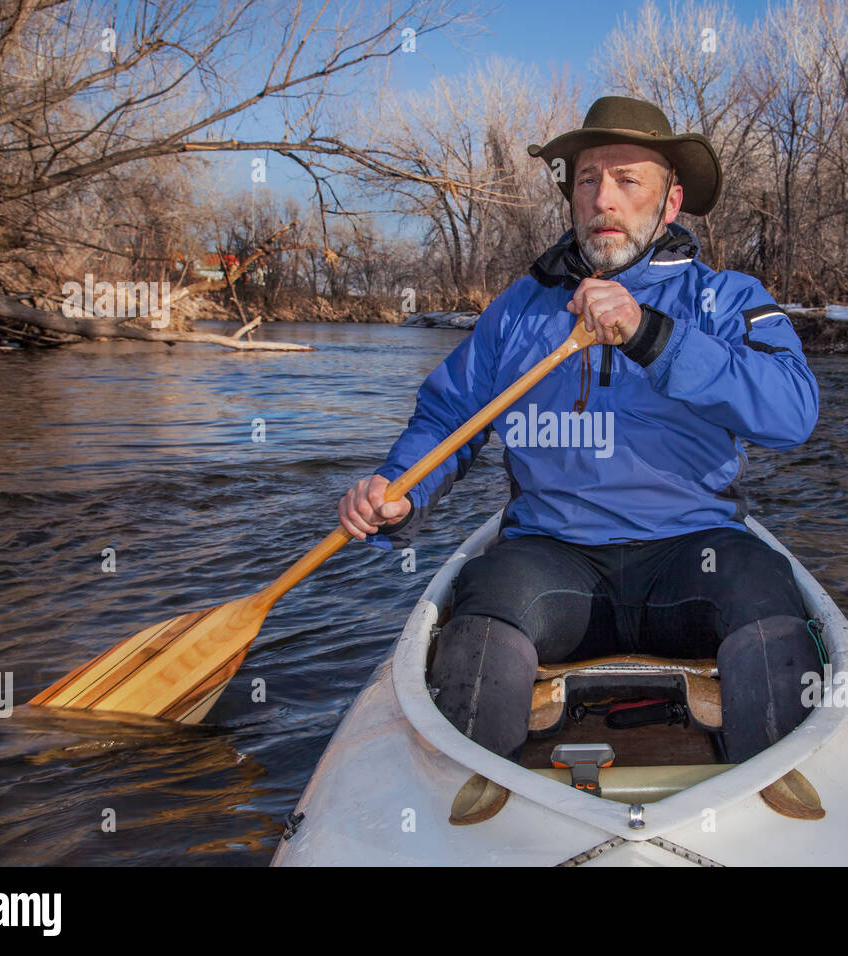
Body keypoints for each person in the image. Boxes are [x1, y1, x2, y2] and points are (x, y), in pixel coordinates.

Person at [338, 96, 821, 764]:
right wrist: (400, 489)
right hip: (552, 555)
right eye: (589, 179)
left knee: (764, 590)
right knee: (482, 610)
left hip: (694, 551)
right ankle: (469, 807)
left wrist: (651, 335)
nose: (604, 199)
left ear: (670, 202)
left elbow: (792, 412)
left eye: (628, 181)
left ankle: (776, 809)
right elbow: (449, 418)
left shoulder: (727, 297)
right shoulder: (516, 309)